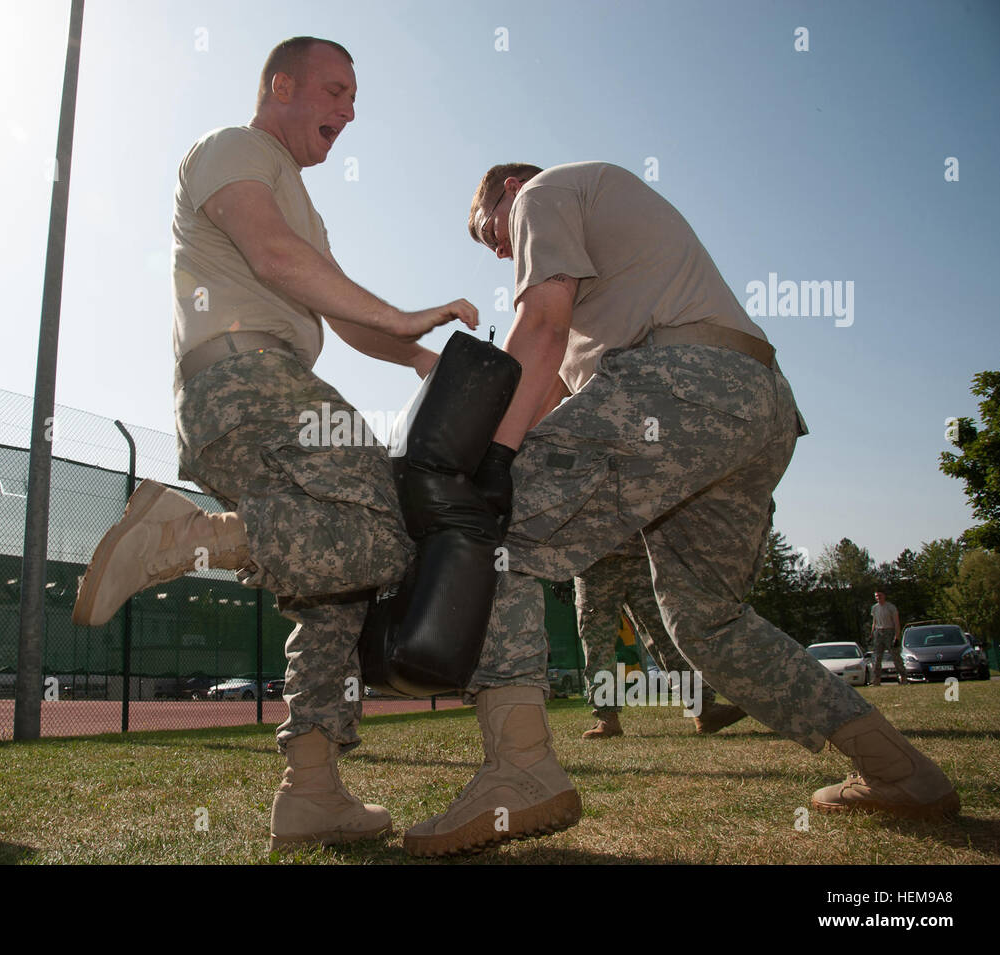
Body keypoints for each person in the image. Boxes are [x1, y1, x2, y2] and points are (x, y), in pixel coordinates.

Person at [401, 161, 958, 856]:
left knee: (491, 529)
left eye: (491, 233)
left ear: (507, 190)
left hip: (678, 385)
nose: (501, 251)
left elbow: (539, 327)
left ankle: (520, 771)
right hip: (753, 403)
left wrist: (484, 471)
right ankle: (900, 771)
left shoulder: (542, 194)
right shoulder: (610, 265)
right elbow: (552, 398)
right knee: (709, 621)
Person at [72, 36, 477, 849]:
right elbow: (273, 255)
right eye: (335, 91)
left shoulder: (296, 192)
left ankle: (312, 788)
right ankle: (189, 537)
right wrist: (403, 318)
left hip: (263, 381)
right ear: (281, 85)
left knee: (333, 583)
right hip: (248, 379)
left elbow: (338, 310)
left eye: (354, 98)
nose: (350, 111)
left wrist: (422, 354)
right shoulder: (234, 149)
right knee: (380, 530)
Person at [575, 537, 746, 738]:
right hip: (593, 564)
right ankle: (607, 719)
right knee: (597, 643)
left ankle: (703, 710)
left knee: (667, 636)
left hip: (640, 558)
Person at [870, 590, 907, 684]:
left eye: (880, 595)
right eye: (876, 596)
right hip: (878, 632)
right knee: (877, 657)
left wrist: (897, 637)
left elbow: (896, 622)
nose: (878, 598)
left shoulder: (891, 607)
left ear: (884, 595)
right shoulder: (874, 608)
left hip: (889, 631)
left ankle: (903, 677)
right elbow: (874, 622)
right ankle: (876, 679)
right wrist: (871, 634)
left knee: (895, 656)